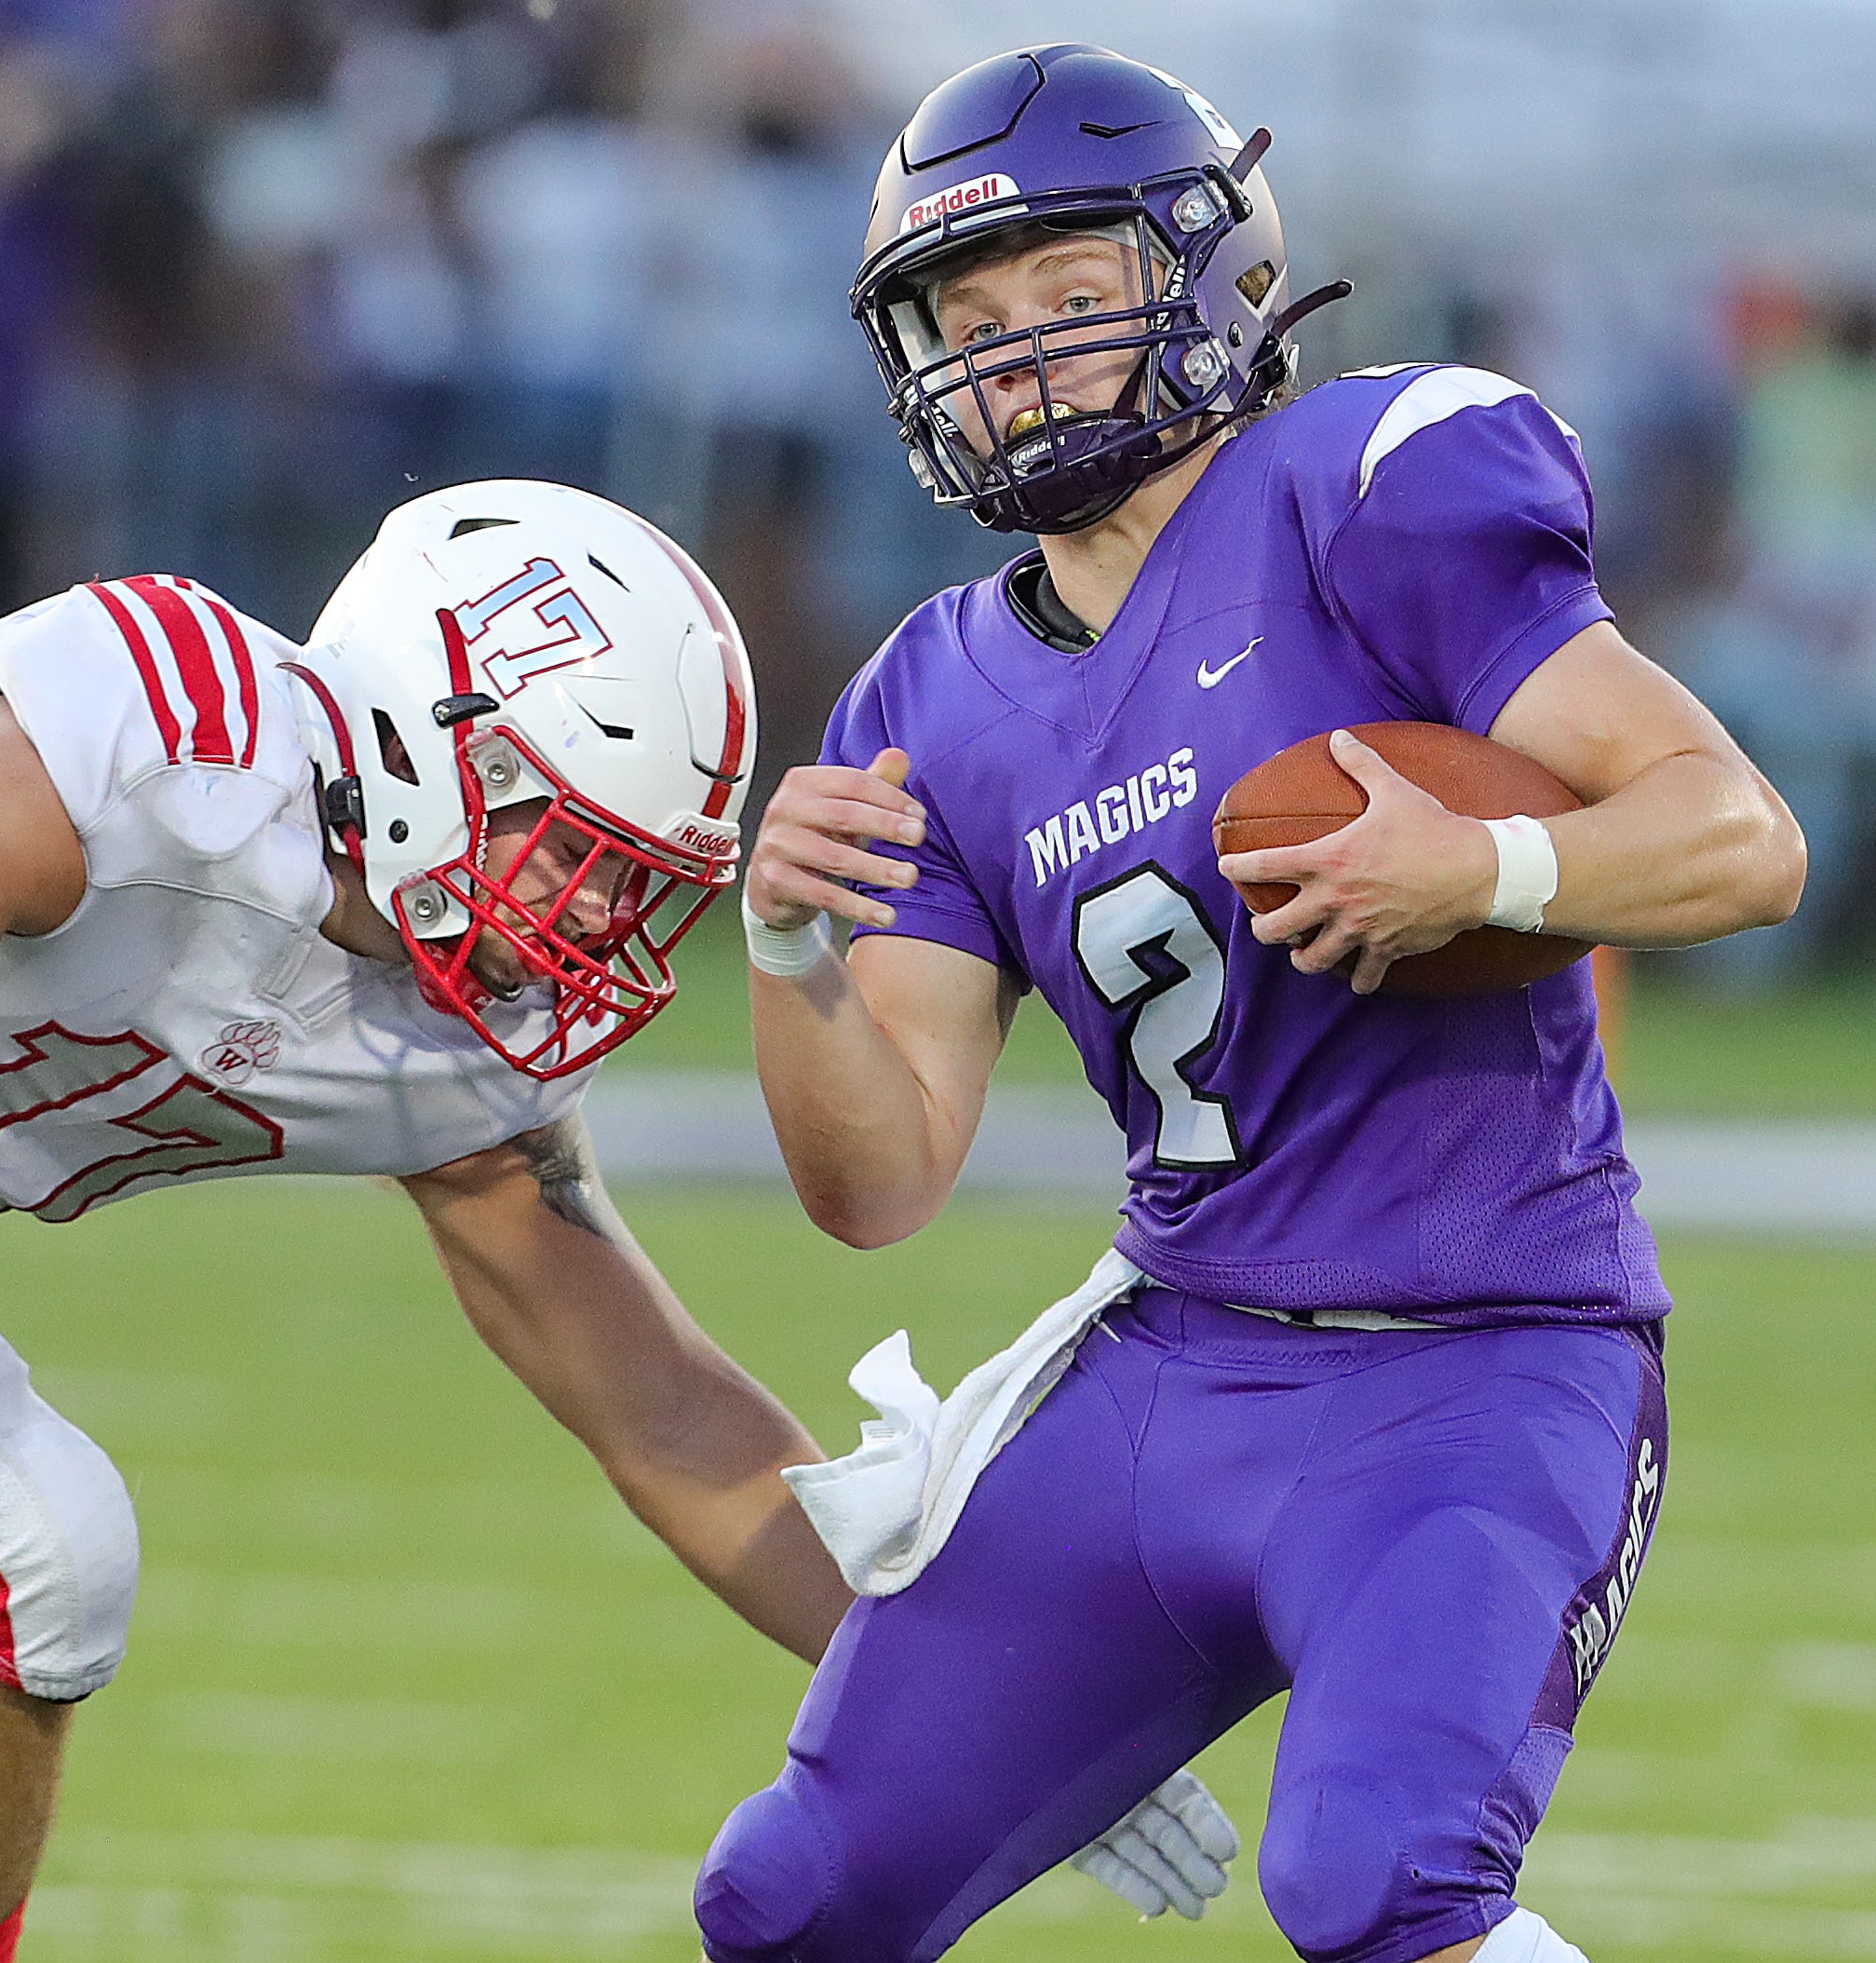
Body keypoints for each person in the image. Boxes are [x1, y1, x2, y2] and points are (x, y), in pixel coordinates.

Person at [0, 476, 1217, 1963]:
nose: (591, 919)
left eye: (633, 881)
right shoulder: (167, 742)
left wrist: (986, 1708)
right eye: (568, 846)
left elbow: (664, 1413)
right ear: (427, 734)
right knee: (31, 1538)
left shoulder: (463, 1039)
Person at [706, 44, 1806, 1963]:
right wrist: (790, 953)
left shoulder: (1361, 489)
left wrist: (1488, 872)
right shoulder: (926, 700)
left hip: (1481, 1362)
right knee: (793, 1898)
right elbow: (880, 1179)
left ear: (1204, 284)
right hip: (1174, 1366)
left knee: (1383, 1883)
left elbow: (1739, 835)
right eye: (971, 319)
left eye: (1069, 296)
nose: (1018, 356)